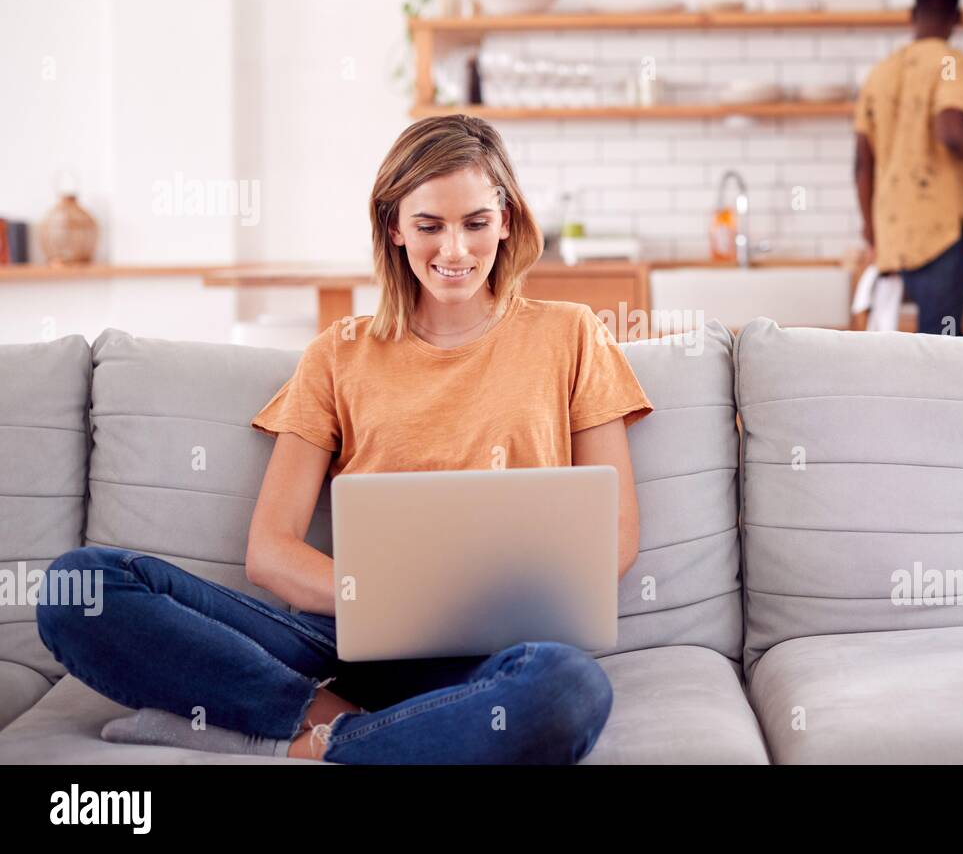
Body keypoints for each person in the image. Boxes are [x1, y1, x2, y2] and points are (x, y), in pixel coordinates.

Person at [35, 114, 655, 764]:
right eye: (428, 225)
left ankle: (305, 742)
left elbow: (614, 535)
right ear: (393, 227)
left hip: (492, 656)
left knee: (569, 690)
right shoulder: (339, 352)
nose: (454, 250)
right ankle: (334, 718)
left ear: (506, 219)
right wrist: (389, 601)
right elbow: (270, 552)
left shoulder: (573, 335)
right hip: (338, 641)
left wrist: (478, 606)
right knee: (84, 585)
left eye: (475, 223)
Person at [852, 0, 963, 336]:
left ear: (912, 13)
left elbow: (862, 164)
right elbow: (951, 131)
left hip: (892, 232)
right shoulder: (951, 62)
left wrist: (871, 230)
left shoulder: (879, 73)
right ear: (958, 16)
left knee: (901, 347)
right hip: (940, 233)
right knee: (943, 351)